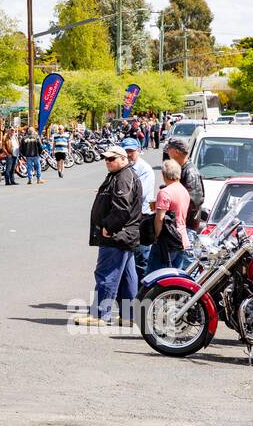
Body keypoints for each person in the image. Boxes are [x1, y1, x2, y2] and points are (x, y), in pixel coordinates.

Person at [75, 146, 143, 327]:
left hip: (118, 235)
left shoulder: (124, 177)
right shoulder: (120, 175)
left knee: (106, 274)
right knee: (128, 277)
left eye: (111, 159)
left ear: (122, 158)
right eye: (106, 159)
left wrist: (109, 227)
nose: (108, 162)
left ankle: (99, 315)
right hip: (125, 235)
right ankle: (129, 316)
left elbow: (122, 207)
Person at [149, 158, 190, 272]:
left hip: (167, 241)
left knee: (153, 277)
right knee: (175, 277)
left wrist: (156, 237)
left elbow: (160, 219)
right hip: (181, 238)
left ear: (163, 174)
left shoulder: (165, 192)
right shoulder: (183, 190)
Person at [123, 137, 156, 277]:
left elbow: (139, 195)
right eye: (125, 151)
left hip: (142, 218)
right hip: (128, 219)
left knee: (142, 258)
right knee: (129, 258)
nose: (128, 154)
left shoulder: (145, 170)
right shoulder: (124, 167)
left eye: (131, 151)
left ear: (138, 150)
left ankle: (143, 292)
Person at [164, 137, 205, 242]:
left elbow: (194, 202)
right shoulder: (181, 168)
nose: (167, 151)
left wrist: (175, 216)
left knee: (185, 257)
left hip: (186, 227)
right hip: (180, 225)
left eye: (169, 148)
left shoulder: (190, 172)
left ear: (176, 151)